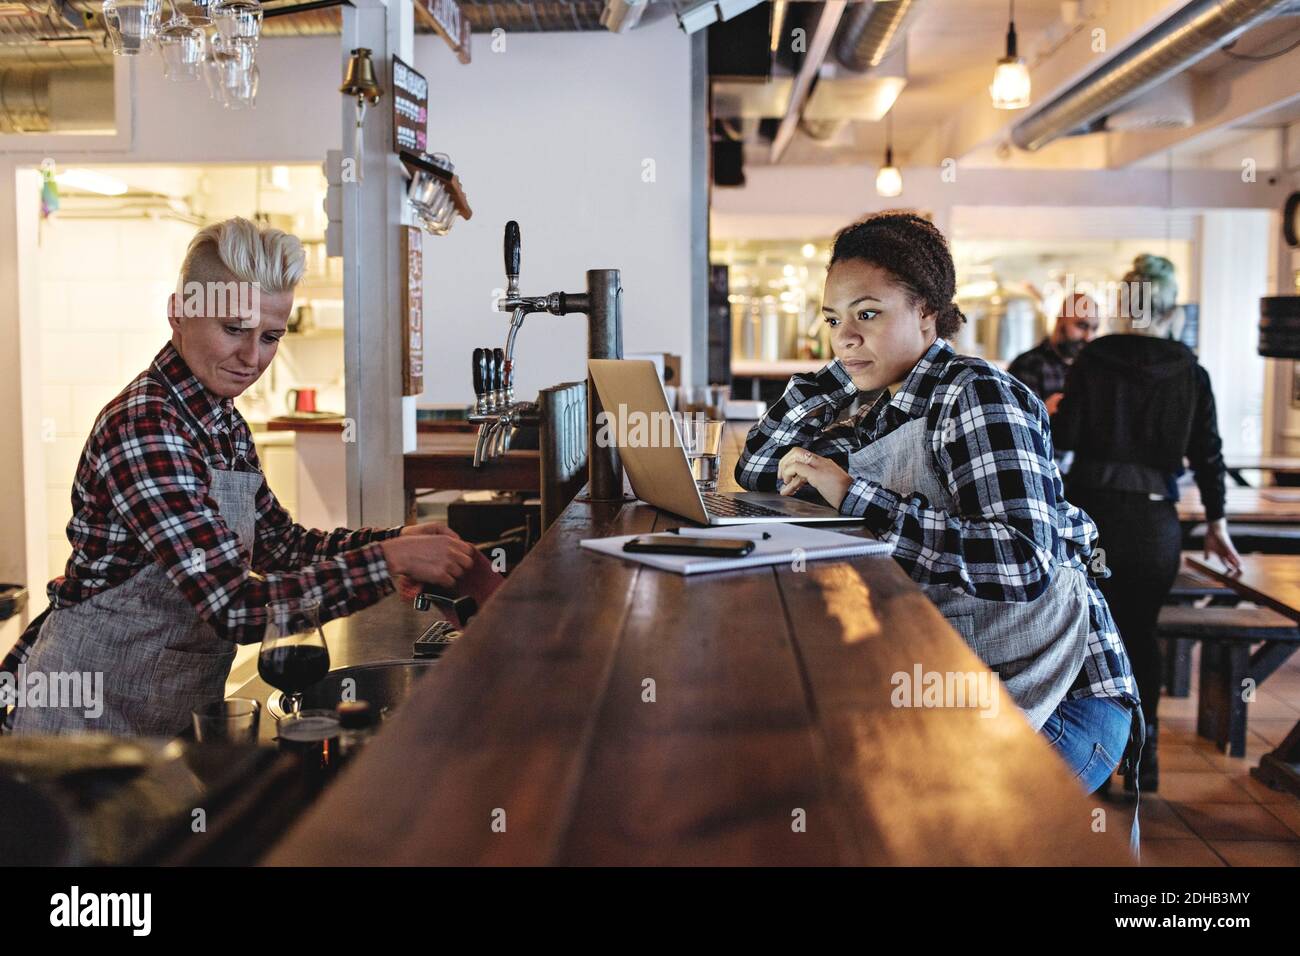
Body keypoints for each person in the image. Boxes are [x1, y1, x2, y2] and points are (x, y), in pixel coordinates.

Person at [3, 217, 477, 737]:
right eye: (234, 330)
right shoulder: (145, 427)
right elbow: (237, 607)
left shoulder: (221, 422)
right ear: (179, 313)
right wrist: (387, 562)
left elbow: (283, 545)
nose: (253, 358)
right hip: (79, 727)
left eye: (270, 337)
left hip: (160, 722)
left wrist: (396, 539)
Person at [736, 212, 1140, 796]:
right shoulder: (880, 403)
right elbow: (758, 469)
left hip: (1058, 696)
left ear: (926, 310)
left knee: (928, 826)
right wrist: (842, 369)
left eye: (867, 312)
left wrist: (856, 496)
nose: (844, 334)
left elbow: (1023, 560)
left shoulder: (976, 394)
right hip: (964, 676)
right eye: (832, 319)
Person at [1053, 253, 1240, 793]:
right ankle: (1144, 752)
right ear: (1170, 307)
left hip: (1095, 519)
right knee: (1141, 634)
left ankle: (1089, 748)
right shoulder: (1190, 370)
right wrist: (1217, 520)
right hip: (1156, 523)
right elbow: (1209, 453)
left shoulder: (1093, 360)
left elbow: (1065, 441)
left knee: (1087, 634)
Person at [1007, 292, 1100, 415]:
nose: (1089, 337)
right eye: (1081, 325)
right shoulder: (1028, 364)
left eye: (1094, 329)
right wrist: (1045, 413)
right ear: (1060, 320)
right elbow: (1017, 425)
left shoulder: (1093, 368)